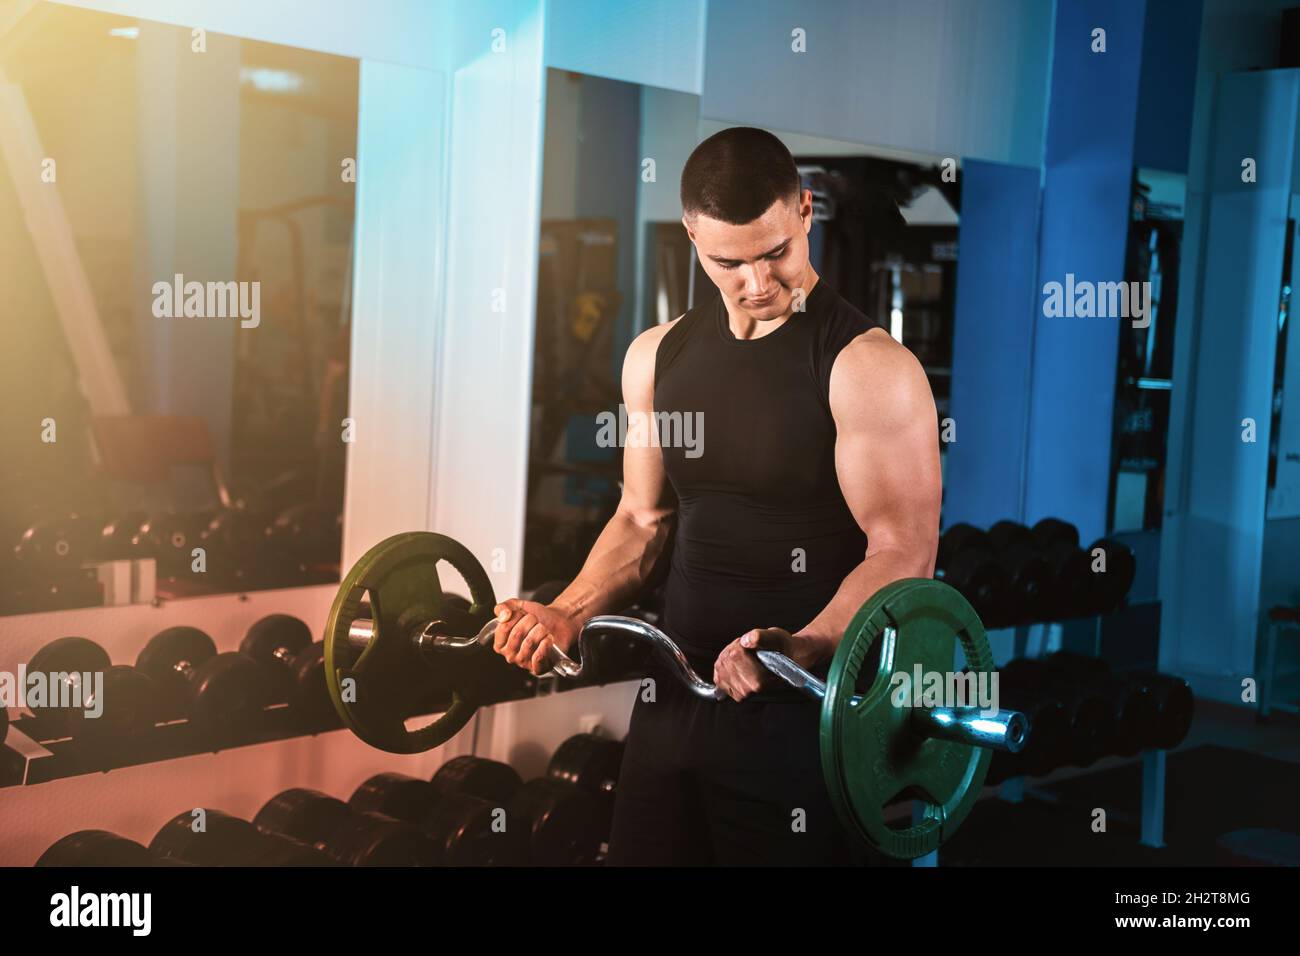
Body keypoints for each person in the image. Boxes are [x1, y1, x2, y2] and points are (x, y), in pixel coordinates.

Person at [492, 126, 941, 865]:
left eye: (775, 253)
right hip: (671, 706)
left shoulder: (867, 368)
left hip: (806, 719)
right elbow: (641, 519)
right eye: (728, 262)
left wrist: (799, 648)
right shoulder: (657, 357)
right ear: (693, 236)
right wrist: (566, 611)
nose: (758, 283)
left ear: (805, 211)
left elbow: (903, 552)